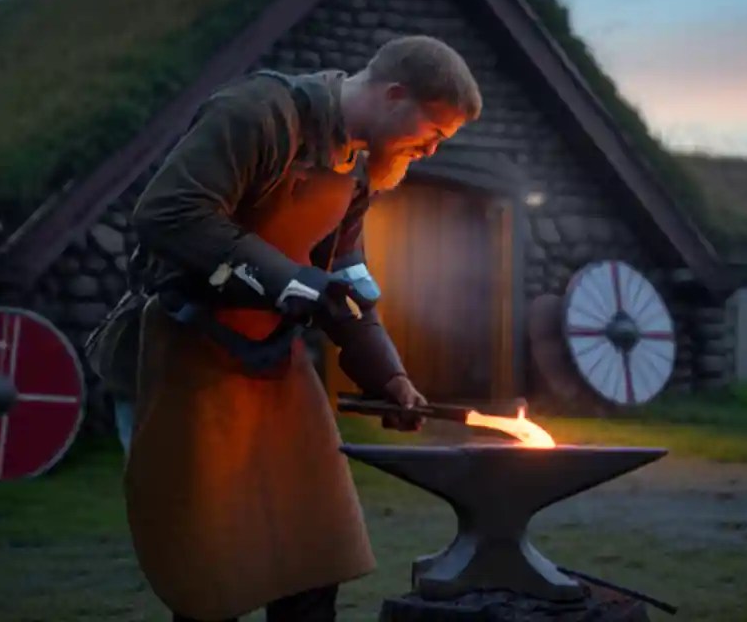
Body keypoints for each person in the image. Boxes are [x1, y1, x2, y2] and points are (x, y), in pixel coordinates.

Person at [96, 34, 481, 622]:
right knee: (211, 564)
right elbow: (168, 213)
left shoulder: (356, 170)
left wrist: (388, 374)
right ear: (395, 95)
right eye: (432, 133)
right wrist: (289, 282)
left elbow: (346, 274)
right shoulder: (259, 115)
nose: (429, 152)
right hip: (191, 354)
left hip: (274, 362)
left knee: (313, 553)